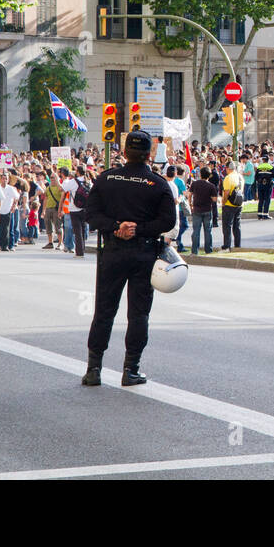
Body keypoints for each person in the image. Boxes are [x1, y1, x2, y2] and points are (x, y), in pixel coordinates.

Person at [81, 129, 177, 387]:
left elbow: (90, 214)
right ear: (149, 155)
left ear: (124, 153)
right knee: (138, 314)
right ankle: (130, 369)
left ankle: (94, 369)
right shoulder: (158, 183)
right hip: (144, 253)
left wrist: (116, 226)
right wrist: (139, 229)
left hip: (112, 251)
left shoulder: (106, 178)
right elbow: (169, 221)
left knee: (103, 311)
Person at [188, 167, 218, 255]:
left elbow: (190, 195)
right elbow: (215, 199)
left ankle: (194, 251)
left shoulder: (195, 184)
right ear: (209, 176)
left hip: (196, 209)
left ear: (200, 174)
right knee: (208, 231)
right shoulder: (211, 186)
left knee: (196, 231)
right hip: (207, 209)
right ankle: (208, 250)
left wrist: (190, 205)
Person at [220, 160, 244, 250]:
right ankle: (237, 245)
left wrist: (223, 202)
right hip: (239, 203)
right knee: (237, 226)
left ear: (227, 168)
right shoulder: (240, 177)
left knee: (227, 226)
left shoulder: (228, 178)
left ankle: (227, 245)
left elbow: (226, 192)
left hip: (229, 204)